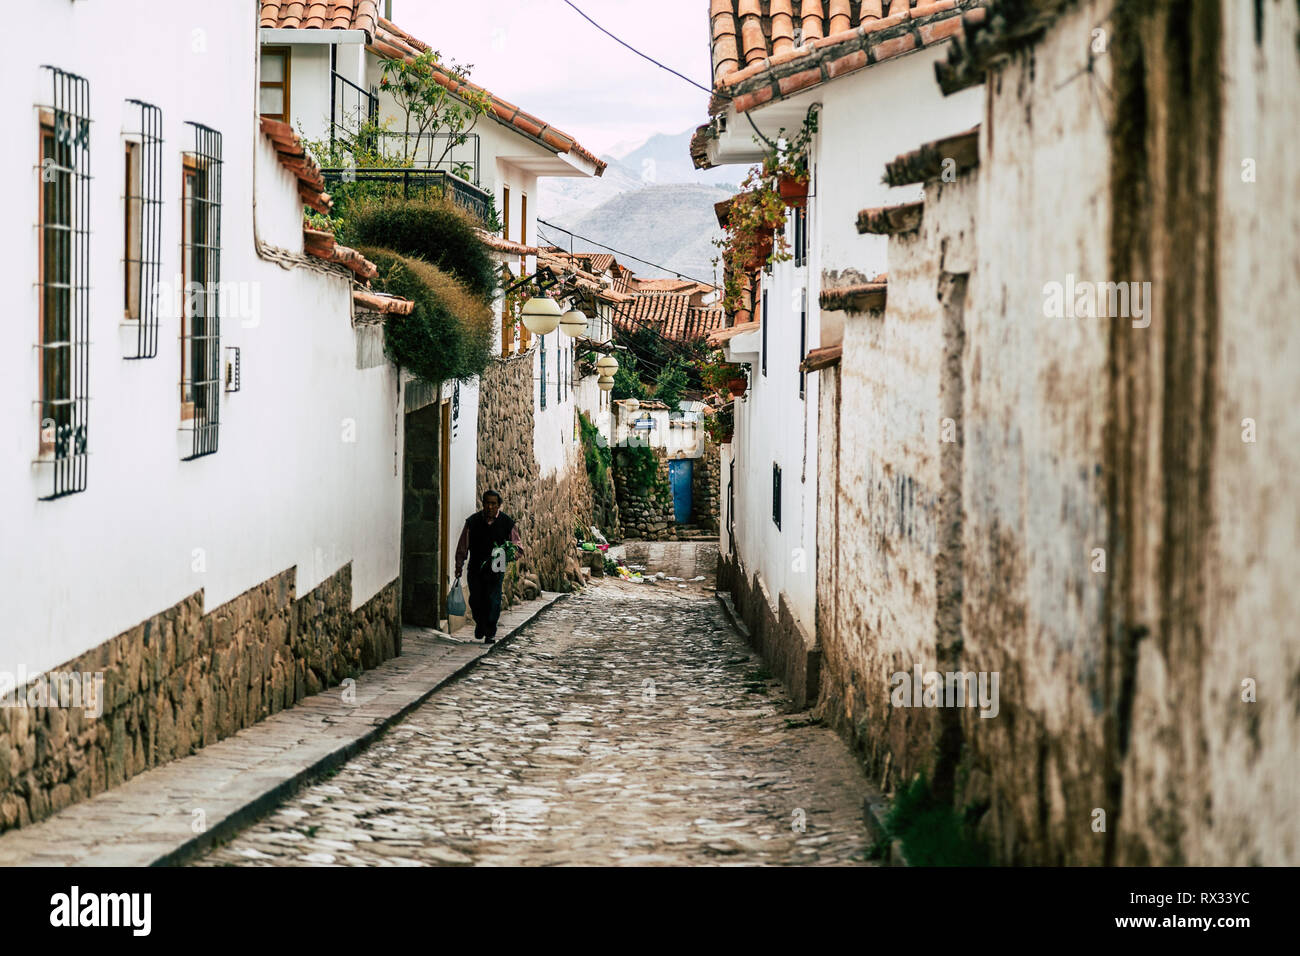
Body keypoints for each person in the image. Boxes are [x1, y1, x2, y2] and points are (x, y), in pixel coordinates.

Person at [453, 489, 523, 643]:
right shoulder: (472, 522)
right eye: (487, 503)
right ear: (483, 504)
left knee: (494, 599)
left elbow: (517, 546)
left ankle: (490, 631)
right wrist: (459, 566)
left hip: (497, 568)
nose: (490, 507)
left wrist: (510, 554)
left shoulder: (507, 523)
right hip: (476, 567)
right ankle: (480, 623)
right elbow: (463, 546)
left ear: (499, 505)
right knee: (476, 599)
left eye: (493, 504)